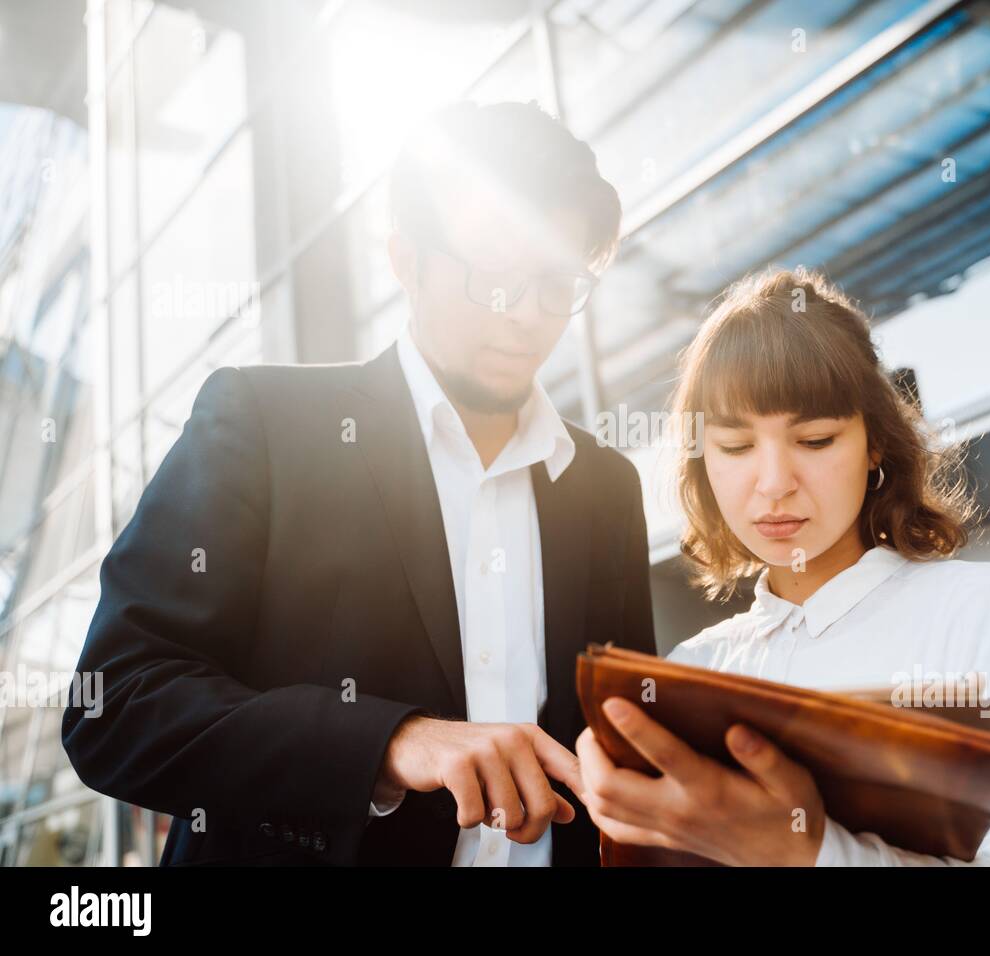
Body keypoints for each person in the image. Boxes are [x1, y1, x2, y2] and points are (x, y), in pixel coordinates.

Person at [62, 101, 657, 866]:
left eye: (555, 282)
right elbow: (114, 704)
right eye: (493, 277)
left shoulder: (605, 487)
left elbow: (622, 747)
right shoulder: (264, 424)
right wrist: (390, 743)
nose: (525, 317)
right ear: (406, 260)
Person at [575, 267, 990, 866]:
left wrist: (807, 855)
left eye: (814, 440)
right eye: (735, 447)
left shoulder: (978, 612)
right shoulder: (692, 668)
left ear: (875, 447)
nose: (773, 484)